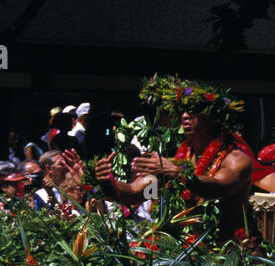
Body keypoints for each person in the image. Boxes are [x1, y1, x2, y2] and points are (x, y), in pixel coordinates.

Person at [95, 76, 255, 243]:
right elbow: (134, 194)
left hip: (231, 250)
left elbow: (217, 189)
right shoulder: (178, 161)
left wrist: (178, 174)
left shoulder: (236, 160)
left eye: (193, 111)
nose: (185, 116)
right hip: (191, 248)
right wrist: (108, 182)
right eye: (182, 111)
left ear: (214, 117)